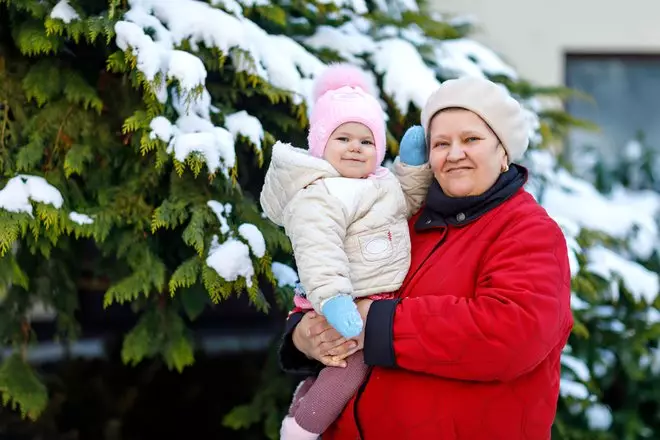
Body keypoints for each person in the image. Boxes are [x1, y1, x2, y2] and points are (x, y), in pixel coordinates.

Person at [278, 75, 575, 440]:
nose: (454, 154)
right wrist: (304, 335)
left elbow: (512, 334)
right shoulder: (402, 219)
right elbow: (336, 274)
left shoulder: (527, 231)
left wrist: (378, 323)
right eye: (441, 143)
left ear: (503, 153)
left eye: (471, 139)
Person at [259, 64, 432, 439]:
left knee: (347, 365)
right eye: (343, 138)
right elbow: (317, 251)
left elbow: (410, 201)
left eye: (367, 141)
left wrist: (413, 166)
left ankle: (305, 398)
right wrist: (336, 300)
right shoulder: (319, 193)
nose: (356, 147)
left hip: (374, 296)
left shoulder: (381, 185)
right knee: (349, 366)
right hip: (341, 300)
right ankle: (302, 429)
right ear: (321, 144)